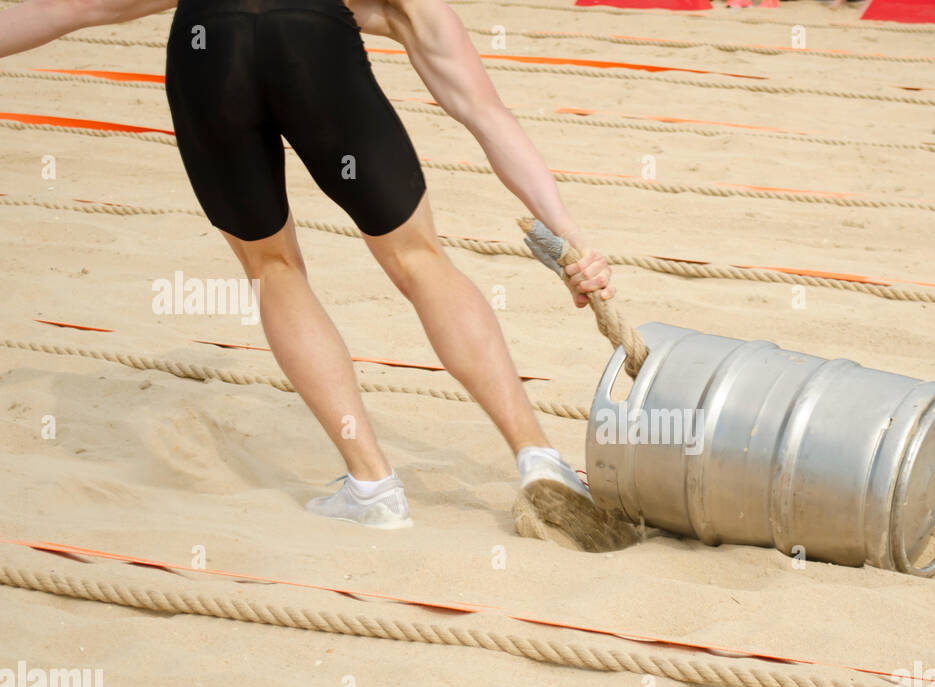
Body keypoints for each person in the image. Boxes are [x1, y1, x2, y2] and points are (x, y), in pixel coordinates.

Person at [1, 0, 629, 544]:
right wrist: (571, 239)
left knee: (273, 267)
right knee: (419, 259)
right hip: (315, 46)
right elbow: (486, 114)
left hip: (210, 48)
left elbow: (72, 8)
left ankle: (373, 485)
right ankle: (537, 457)